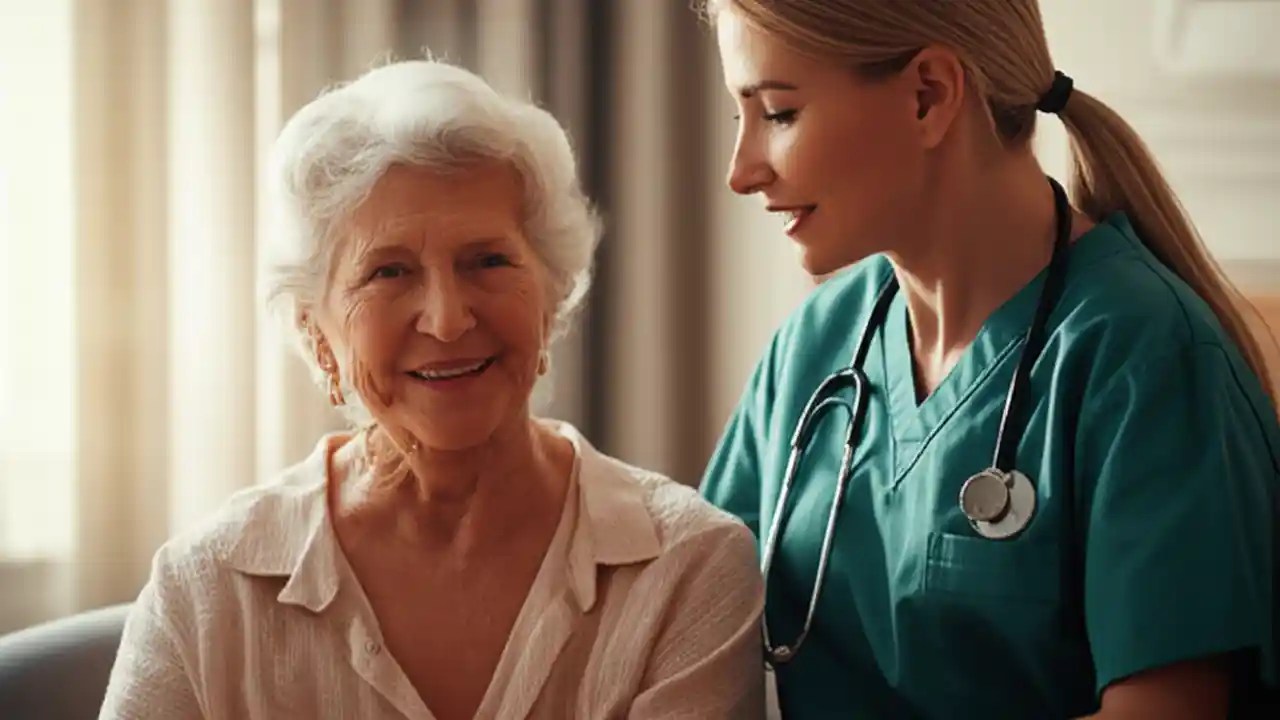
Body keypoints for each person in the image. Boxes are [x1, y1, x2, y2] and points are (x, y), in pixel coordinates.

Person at [98, 59, 764, 720]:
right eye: (388, 272)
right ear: (316, 332)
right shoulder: (209, 590)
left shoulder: (687, 570)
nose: (447, 319)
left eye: (488, 261)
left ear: (552, 292)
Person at [696, 0, 1280, 718]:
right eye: (739, 118)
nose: (741, 172)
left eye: (779, 114)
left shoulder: (1144, 359)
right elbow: (686, 605)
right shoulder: (813, 347)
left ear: (929, 96)